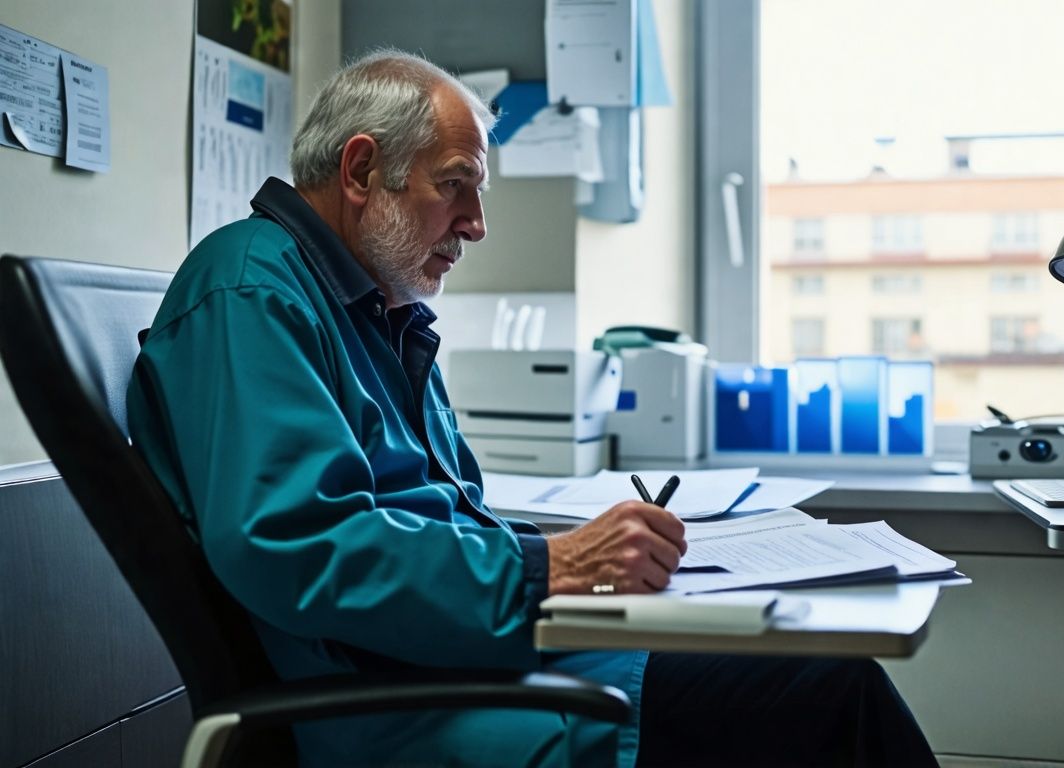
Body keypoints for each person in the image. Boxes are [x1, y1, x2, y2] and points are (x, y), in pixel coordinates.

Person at [127, 48, 938, 767]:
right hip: (406, 707)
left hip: (473, 661)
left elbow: (442, 519)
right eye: (456, 189)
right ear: (362, 170)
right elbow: (294, 543)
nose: (475, 226)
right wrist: (551, 566)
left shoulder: (377, 315)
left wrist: (566, 558)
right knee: (829, 697)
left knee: (824, 682)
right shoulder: (249, 291)